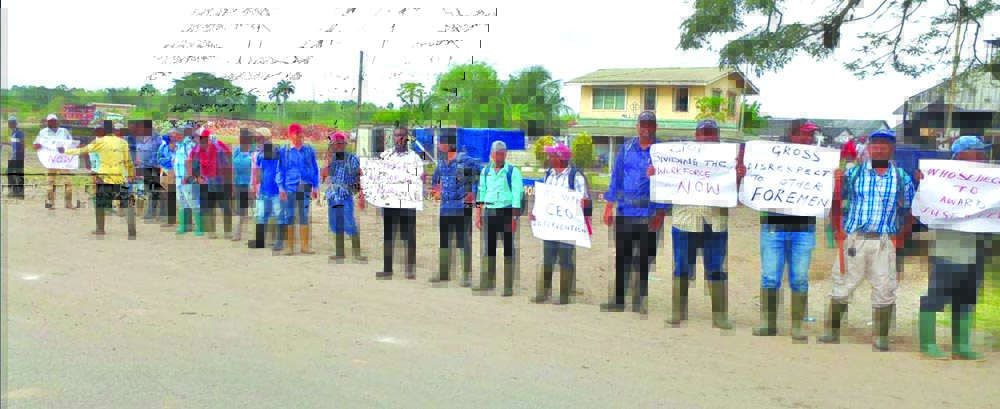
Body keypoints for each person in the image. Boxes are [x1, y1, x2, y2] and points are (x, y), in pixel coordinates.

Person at [819, 129, 915, 351]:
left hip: (884, 241)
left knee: (885, 287)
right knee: (842, 283)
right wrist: (837, 230)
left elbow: (910, 210)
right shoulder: (853, 174)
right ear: (869, 148)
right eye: (875, 145)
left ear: (891, 149)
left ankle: (881, 336)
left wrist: (901, 237)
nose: (879, 149)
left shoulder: (902, 178)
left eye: (884, 145)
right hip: (854, 239)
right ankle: (832, 330)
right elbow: (836, 201)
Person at [918, 135, 993, 361]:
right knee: (937, 294)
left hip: (975, 249)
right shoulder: (941, 179)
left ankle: (961, 345)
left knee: (967, 297)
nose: (981, 155)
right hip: (947, 248)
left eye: (982, 151)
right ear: (960, 154)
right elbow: (924, 206)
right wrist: (923, 183)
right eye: (976, 151)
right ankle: (927, 343)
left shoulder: (987, 182)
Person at [664, 119, 745, 328]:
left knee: (716, 267)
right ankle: (678, 311)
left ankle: (719, 315)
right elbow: (665, 179)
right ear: (696, 135)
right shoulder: (680, 156)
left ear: (717, 136)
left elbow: (737, 195)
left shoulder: (729, 159)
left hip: (715, 222)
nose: (708, 137)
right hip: (684, 220)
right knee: (682, 266)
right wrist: (656, 174)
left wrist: (739, 177)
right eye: (704, 133)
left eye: (711, 133)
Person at [753, 120, 820, 340]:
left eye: (810, 135)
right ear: (792, 135)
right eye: (804, 134)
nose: (808, 139)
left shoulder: (819, 162)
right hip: (773, 225)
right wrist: (744, 173)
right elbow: (754, 177)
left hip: (804, 228)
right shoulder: (772, 157)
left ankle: (797, 326)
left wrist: (835, 179)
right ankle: (768, 323)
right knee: (770, 277)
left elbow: (828, 191)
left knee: (799, 278)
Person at [602, 110, 669, 314]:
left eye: (650, 124)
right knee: (622, 257)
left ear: (656, 127)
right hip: (625, 211)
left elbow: (670, 183)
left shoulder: (663, 152)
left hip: (650, 214)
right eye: (643, 124)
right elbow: (616, 178)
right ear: (637, 126)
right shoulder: (626, 148)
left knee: (644, 259)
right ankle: (618, 300)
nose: (646, 128)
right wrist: (608, 206)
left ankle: (639, 300)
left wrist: (661, 213)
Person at [529, 142, 591, 305]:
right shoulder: (548, 174)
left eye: (552, 155)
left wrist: (579, 210)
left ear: (560, 158)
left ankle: (564, 295)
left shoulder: (576, 176)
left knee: (565, 259)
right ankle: (543, 293)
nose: (549, 158)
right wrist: (535, 211)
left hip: (567, 225)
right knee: (548, 258)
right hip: (550, 225)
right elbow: (542, 197)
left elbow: (584, 199)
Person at [59, 121, 136, 238]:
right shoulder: (123, 142)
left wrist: (65, 151)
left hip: (104, 177)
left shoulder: (99, 142)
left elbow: (82, 150)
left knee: (100, 203)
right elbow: (128, 161)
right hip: (120, 177)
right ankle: (132, 230)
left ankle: (100, 229)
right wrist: (131, 175)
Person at [429, 128, 480, 286]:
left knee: (463, 240)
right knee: (444, 240)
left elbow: (479, 175)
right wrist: (435, 192)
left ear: (448, 144)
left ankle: (466, 275)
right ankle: (444, 272)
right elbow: (434, 182)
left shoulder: (465, 160)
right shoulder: (441, 163)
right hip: (445, 208)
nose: (438, 145)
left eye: (440, 142)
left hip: (462, 208)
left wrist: (472, 192)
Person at [474, 140, 523, 296]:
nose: (499, 156)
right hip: (489, 212)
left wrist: (514, 218)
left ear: (506, 154)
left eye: (502, 153)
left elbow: (517, 196)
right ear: (491, 155)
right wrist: (478, 215)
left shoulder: (513, 172)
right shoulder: (485, 171)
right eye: (496, 153)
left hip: (506, 212)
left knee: (508, 249)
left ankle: (508, 286)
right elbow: (481, 192)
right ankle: (488, 282)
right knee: (488, 248)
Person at [376, 126, 425, 279]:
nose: (400, 138)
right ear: (393, 138)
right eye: (397, 135)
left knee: (408, 235)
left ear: (407, 138)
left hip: (407, 203)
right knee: (388, 236)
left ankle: (409, 269)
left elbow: (420, 178)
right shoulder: (385, 156)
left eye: (402, 135)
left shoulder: (414, 158)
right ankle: (387, 268)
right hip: (389, 203)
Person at [322, 131, 368, 262]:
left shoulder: (352, 158)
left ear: (345, 144)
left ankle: (357, 253)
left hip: (346, 195)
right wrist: (327, 161)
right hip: (333, 195)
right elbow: (324, 175)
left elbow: (359, 177)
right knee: (335, 223)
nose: (338, 146)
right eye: (336, 143)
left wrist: (361, 196)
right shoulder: (331, 159)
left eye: (341, 143)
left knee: (349, 222)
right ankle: (340, 252)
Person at [275, 123, 320, 255]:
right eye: (297, 134)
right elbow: (280, 170)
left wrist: (315, 186)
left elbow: (314, 168)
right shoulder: (285, 151)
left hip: (305, 186)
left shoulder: (309, 150)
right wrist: (281, 188)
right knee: (289, 215)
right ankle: (290, 247)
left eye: (300, 134)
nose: (300, 137)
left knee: (304, 215)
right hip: (290, 187)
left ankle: (304, 246)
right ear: (290, 135)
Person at [249, 128, 284, 251]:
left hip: (275, 189)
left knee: (277, 215)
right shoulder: (260, 153)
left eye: (258, 135)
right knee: (262, 215)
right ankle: (261, 241)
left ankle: (279, 242)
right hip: (264, 189)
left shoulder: (273, 150)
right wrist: (255, 186)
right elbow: (258, 171)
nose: (256, 138)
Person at [32, 114, 75, 210]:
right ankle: (51, 203)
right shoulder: (43, 132)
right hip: (50, 162)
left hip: (63, 161)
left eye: (54, 120)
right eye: (50, 121)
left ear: (57, 121)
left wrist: (65, 149)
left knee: (68, 181)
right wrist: (37, 146)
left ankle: (68, 203)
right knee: (50, 182)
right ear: (47, 122)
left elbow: (71, 143)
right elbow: (35, 145)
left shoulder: (64, 131)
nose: (52, 122)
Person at [230, 129, 255, 242]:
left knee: (255, 209)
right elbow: (232, 167)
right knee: (240, 208)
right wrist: (232, 183)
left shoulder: (254, 151)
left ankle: (256, 235)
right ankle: (237, 234)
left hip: (252, 183)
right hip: (239, 183)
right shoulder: (237, 150)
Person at [135, 120, 162, 221]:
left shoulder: (157, 139)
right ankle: (152, 212)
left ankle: (152, 213)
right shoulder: (140, 139)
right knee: (149, 190)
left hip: (154, 167)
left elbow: (161, 152)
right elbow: (138, 153)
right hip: (144, 167)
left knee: (154, 190)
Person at [174, 126, 199, 235]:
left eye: (177, 134)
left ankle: (199, 227)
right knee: (182, 202)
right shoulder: (179, 145)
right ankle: (183, 225)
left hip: (187, 178)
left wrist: (187, 176)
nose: (175, 136)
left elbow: (191, 161)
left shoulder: (189, 145)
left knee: (193, 202)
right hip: (179, 178)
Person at [157, 128, 182, 228]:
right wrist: (168, 159)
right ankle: (171, 219)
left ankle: (178, 220)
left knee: (175, 196)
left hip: (174, 172)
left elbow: (178, 159)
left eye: (174, 135)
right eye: (171, 135)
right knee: (166, 196)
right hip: (165, 171)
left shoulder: (179, 146)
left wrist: (172, 153)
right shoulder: (163, 146)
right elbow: (159, 159)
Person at [4, 116, 25, 199]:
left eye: (12, 123)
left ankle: (20, 193)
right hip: (14, 156)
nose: (10, 124)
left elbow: (22, 144)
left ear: (16, 123)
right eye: (9, 123)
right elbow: (13, 143)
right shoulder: (13, 133)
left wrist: (20, 156)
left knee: (17, 174)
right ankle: (15, 191)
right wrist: (3, 143)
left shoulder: (19, 132)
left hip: (18, 156)